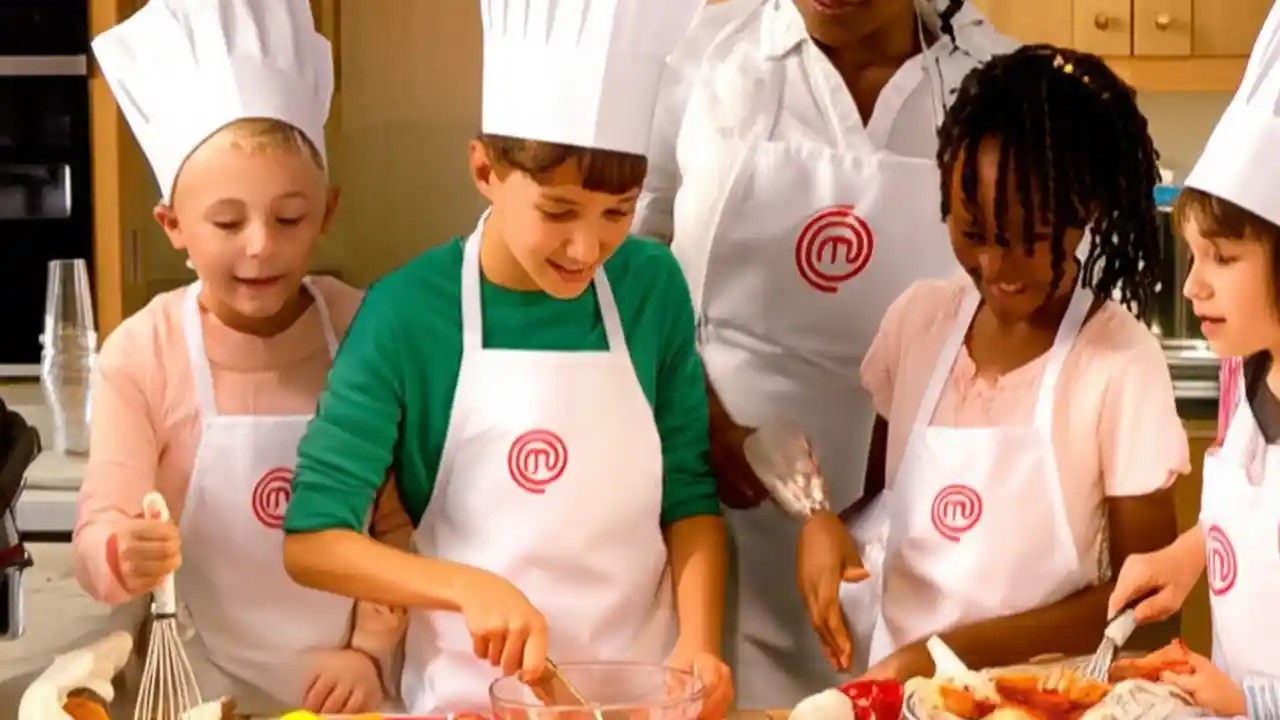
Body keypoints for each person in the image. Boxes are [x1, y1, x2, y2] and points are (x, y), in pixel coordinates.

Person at [278, 0, 734, 716]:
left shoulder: (651, 288)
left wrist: (699, 646)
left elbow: (688, 495)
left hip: (637, 695)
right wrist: (465, 586)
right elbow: (313, 540)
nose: (587, 248)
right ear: (484, 169)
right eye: (558, 212)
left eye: (618, 212)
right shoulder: (407, 312)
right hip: (468, 698)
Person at [633, 0, 1016, 704]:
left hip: (922, 521)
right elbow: (632, 259)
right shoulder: (704, 57)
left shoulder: (991, 80)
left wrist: (907, 475)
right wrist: (702, 419)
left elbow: (1028, 309)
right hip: (714, 507)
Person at [798, 44, 1190, 680]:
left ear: (1085, 210)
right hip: (900, 699)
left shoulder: (1120, 365)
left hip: (1043, 703)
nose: (994, 267)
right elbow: (884, 509)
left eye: (1027, 239)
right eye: (973, 233)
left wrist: (942, 657)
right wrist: (829, 529)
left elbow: (1149, 609)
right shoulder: (917, 324)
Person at [74, 0, 400, 714]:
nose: (260, 245)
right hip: (196, 686)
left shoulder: (365, 329)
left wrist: (370, 652)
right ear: (173, 224)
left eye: (290, 218)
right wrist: (122, 551)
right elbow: (100, 527)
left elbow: (398, 521)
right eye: (226, 221)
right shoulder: (145, 352)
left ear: (327, 211)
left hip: (348, 691)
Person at [1107, 5, 1280, 717]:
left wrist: (1248, 702)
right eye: (1192, 255)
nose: (1192, 287)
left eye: (1223, 258)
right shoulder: (1249, 374)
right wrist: (1188, 556)